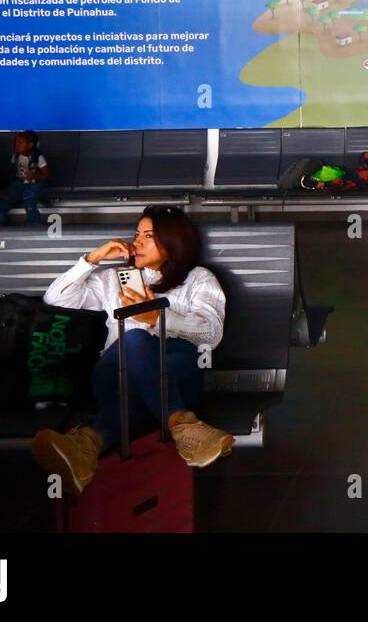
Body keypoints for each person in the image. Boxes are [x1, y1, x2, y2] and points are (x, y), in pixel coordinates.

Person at [31, 206, 233, 494]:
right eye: (137, 233)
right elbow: (56, 299)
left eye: (148, 235)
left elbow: (210, 335)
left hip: (176, 373)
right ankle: (181, 423)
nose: (136, 241)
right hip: (117, 373)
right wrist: (92, 259)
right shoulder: (114, 278)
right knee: (137, 338)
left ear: (173, 240)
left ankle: (86, 443)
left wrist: (158, 318)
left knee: (154, 379)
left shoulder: (198, 279)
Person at [0, 130, 48, 226]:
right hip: (18, 184)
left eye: (20, 143)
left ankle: (34, 227)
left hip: (33, 185)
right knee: (2, 202)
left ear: (30, 145)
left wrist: (35, 176)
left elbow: (46, 175)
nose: (17, 145)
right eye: (16, 142)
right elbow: (12, 171)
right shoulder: (16, 157)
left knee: (29, 204)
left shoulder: (38, 158)